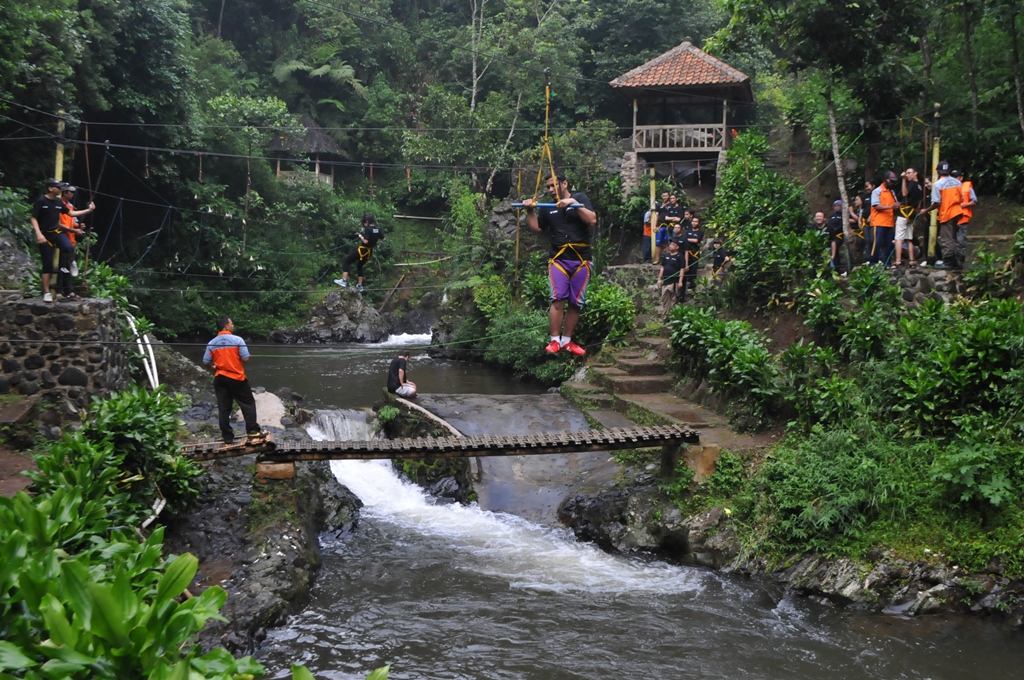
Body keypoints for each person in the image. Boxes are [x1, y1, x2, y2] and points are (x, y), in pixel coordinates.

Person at [523, 170, 597, 356]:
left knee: (576, 302)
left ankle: (567, 341)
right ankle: (555, 340)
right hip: (559, 260)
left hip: (581, 260)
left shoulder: (580, 198)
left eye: (553, 185)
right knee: (558, 299)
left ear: (564, 184)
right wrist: (530, 211)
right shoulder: (548, 207)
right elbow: (537, 229)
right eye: (547, 187)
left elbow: (592, 219)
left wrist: (572, 204)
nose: (550, 190)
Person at [30, 178, 93, 303]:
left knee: (69, 248)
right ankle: (47, 292)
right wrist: (38, 234)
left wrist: (88, 210)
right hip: (45, 235)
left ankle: (71, 262)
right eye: (58, 187)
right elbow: (33, 218)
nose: (60, 190)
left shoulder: (58, 202)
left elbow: (71, 213)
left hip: (56, 233)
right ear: (50, 188)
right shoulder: (41, 201)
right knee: (47, 265)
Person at [203, 316, 262, 445]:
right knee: (247, 403)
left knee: (224, 408)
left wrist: (214, 368)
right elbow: (245, 358)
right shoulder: (237, 340)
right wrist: (247, 357)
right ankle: (252, 431)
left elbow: (205, 361)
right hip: (236, 378)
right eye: (231, 323)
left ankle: (227, 437)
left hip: (220, 379)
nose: (233, 325)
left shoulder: (212, 342)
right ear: (226, 326)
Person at [920, 160, 962, 270]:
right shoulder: (957, 182)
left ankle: (948, 261)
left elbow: (937, 202)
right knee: (953, 237)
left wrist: (926, 210)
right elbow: (961, 198)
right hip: (957, 212)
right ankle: (956, 261)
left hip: (947, 213)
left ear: (938, 172)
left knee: (946, 238)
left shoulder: (938, 184)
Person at [335, 214, 385, 291]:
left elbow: (365, 241)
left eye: (364, 222)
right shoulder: (377, 229)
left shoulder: (368, 229)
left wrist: (360, 235)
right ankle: (360, 285)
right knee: (359, 266)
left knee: (346, 261)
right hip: (369, 252)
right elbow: (383, 239)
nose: (364, 224)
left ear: (367, 222)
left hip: (363, 250)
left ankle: (343, 281)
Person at [57, 185, 84, 300]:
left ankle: (69, 290)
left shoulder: (70, 206)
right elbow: (58, 223)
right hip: (60, 238)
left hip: (70, 239)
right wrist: (73, 229)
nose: (72, 195)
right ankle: (58, 290)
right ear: (64, 193)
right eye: (70, 192)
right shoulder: (58, 205)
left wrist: (79, 226)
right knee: (61, 265)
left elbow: (73, 221)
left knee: (67, 266)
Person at [869, 172, 899, 267]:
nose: (891, 183)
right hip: (878, 222)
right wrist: (891, 206)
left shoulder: (892, 192)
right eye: (890, 180)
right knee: (876, 243)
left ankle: (887, 263)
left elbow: (895, 204)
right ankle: (873, 263)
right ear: (885, 179)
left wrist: (897, 206)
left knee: (889, 244)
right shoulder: (877, 191)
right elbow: (876, 206)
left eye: (893, 181)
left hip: (889, 223)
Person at [895, 168, 923, 267]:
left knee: (899, 238)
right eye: (906, 173)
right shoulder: (920, 186)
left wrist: (903, 180)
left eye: (909, 173)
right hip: (911, 214)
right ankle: (911, 260)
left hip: (904, 213)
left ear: (915, 173)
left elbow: (904, 193)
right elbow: (919, 204)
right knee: (909, 238)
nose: (907, 175)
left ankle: (898, 261)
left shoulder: (912, 184)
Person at [952, 169, 977, 269]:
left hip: (963, 219)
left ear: (961, 178)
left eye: (956, 177)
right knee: (952, 242)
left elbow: (974, 201)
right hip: (952, 218)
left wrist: (962, 205)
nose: (954, 179)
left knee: (961, 242)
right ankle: (953, 262)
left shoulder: (967, 187)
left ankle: (960, 263)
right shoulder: (949, 187)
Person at [657, 239, 685, 308]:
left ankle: (672, 315)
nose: (670, 246)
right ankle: (665, 316)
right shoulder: (666, 255)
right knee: (664, 298)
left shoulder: (680, 257)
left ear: (677, 247)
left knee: (674, 298)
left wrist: (680, 281)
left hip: (674, 281)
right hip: (665, 280)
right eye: (670, 244)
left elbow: (682, 269)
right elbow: (662, 267)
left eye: (673, 245)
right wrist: (659, 278)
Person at [683, 215, 704, 290]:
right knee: (685, 268)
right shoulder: (687, 231)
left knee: (693, 269)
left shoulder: (700, 232)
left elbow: (697, 240)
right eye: (693, 221)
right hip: (686, 252)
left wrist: (689, 239)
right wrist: (692, 240)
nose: (694, 223)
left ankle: (692, 285)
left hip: (695, 253)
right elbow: (684, 239)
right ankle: (684, 284)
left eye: (696, 222)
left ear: (698, 223)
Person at [826, 200, 846, 275]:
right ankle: (834, 268)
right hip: (832, 235)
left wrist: (835, 230)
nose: (836, 207)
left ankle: (836, 268)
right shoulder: (832, 215)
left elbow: (842, 225)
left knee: (835, 248)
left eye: (838, 206)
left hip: (839, 235)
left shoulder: (842, 215)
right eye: (835, 206)